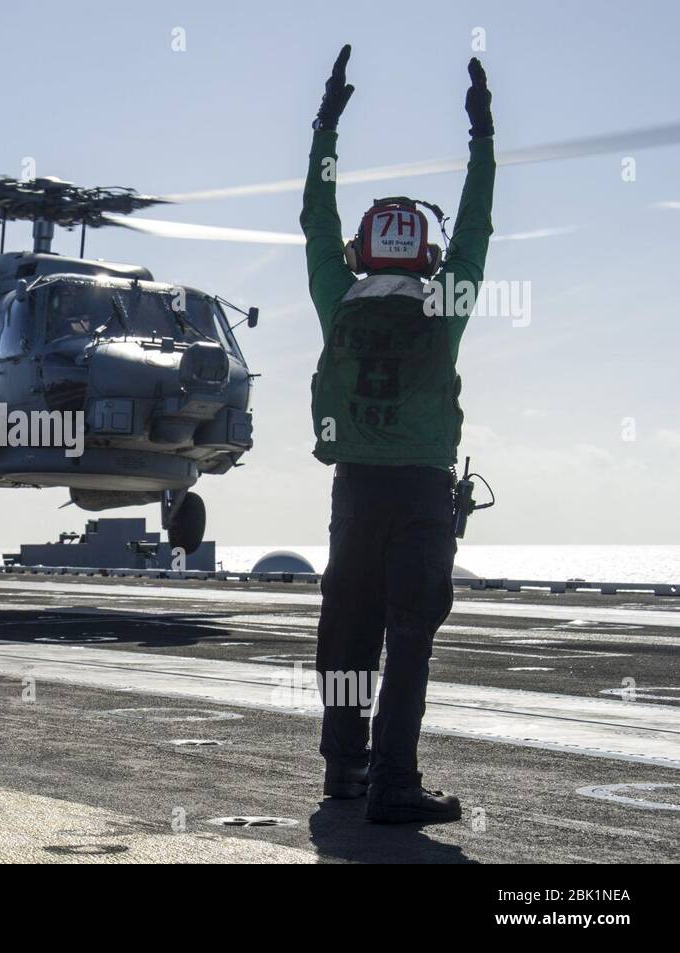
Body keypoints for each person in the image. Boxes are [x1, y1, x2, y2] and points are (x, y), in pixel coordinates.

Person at [300, 45, 496, 823]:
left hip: (353, 492)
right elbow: (478, 218)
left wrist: (326, 126)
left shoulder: (336, 296)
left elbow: (314, 212)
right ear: (424, 251)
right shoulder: (443, 305)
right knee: (409, 634)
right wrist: (482, 135)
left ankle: (344, 769)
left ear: (363, 249)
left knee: (348, 630)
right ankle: (395, 782)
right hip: (419, 491)